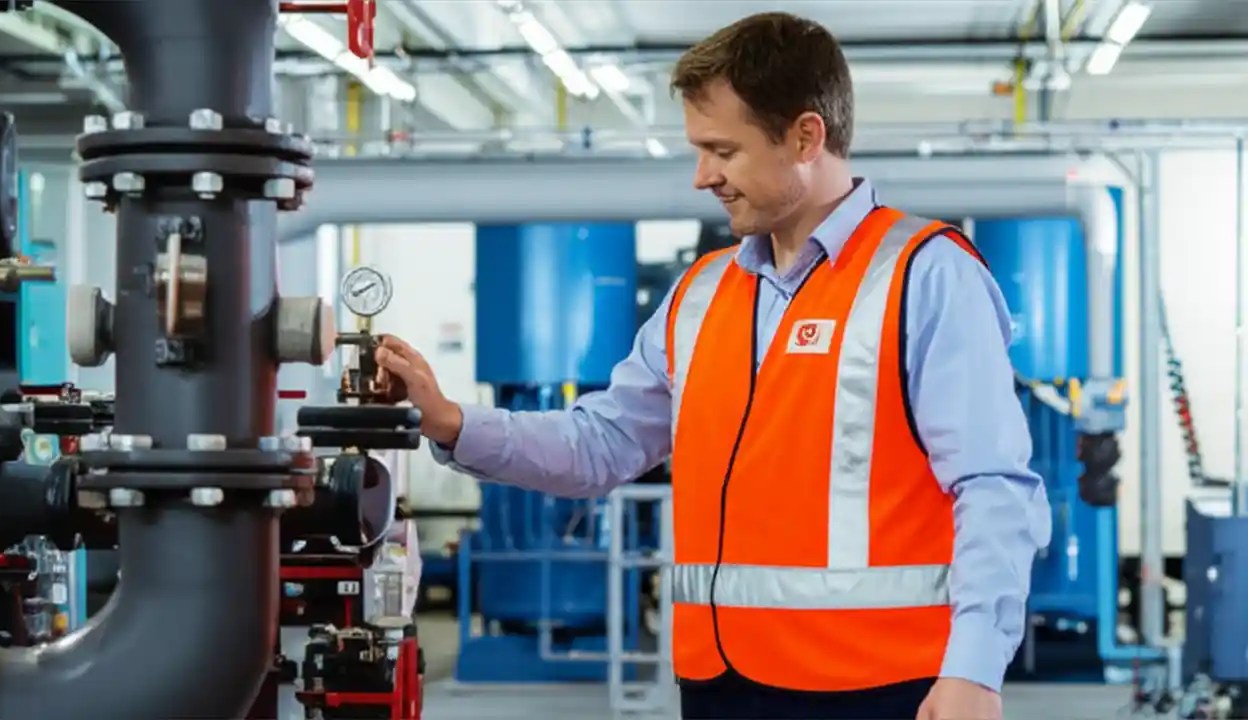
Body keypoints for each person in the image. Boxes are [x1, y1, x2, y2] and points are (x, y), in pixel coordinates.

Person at [375, 11, 1051, 720]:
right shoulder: (701, 294)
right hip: (719, 684)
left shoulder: (926, 276)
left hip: (882, 687)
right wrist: (449, 421)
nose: (703, 176)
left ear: (805, 136)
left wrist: (975, 668)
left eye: (722, 150)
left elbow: (994, 485)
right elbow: (599, 444)